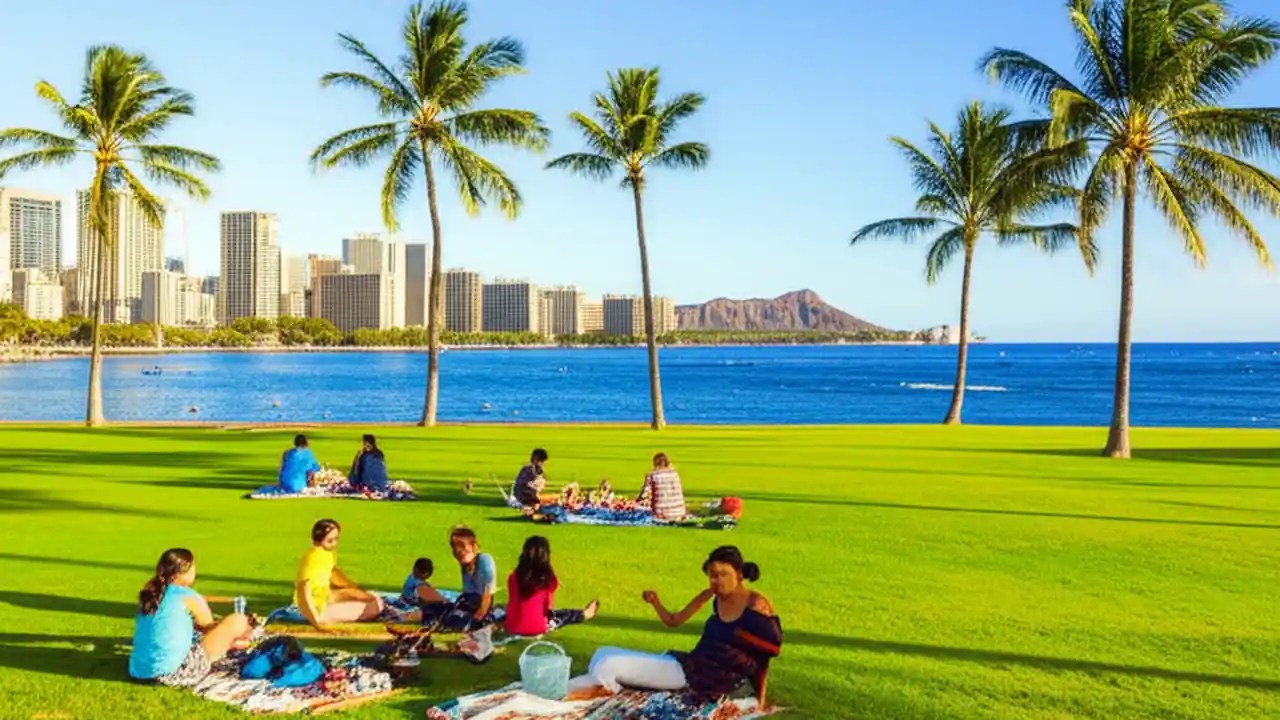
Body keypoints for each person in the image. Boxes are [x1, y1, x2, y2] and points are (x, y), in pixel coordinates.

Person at [587, 546, 782, 706]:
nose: (717, 581)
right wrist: (655, 602)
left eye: (723, 574)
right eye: (713, 575)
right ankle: (615, 694)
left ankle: (613, 700)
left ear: (739, 575)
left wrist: (760, 698)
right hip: (691, 665)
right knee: (602, 654)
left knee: (607, 664)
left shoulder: (756, 606)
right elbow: (674, 621)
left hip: (706, 680)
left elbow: (767, 654)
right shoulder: (713, 596)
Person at [129, 548, 253, 685]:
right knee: (238, 620)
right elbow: (209, 627)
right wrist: (225, 624)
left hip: (139, 670)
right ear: (185, 570)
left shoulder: (152, 594)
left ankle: (236, 644)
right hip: (174, 673)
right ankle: (238, 644)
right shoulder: (188, 595)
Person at [294, 518, 385, 630]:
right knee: (376, 606)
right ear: (318, 540)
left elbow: (335, 575)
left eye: (336, 539)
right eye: (330, 541)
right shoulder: (313, 558)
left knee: (372, 597)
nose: (334, 544)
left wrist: (358, 591)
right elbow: (303, 589)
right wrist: (316, 621)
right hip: (315, 608)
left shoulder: (326, 554)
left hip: (324, 597)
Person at [504, 536, 599, 636]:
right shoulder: (549, 580)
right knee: (564, 614)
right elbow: (547, 607)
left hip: (513, 626)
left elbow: (513, 602)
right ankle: (583, 614)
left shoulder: (514, 577)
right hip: (539, 627)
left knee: (500, 609)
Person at [638, 452, 687, 521]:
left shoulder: (652, 475)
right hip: (679, 513)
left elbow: (644, 496)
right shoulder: (674, 473)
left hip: (660, 513)